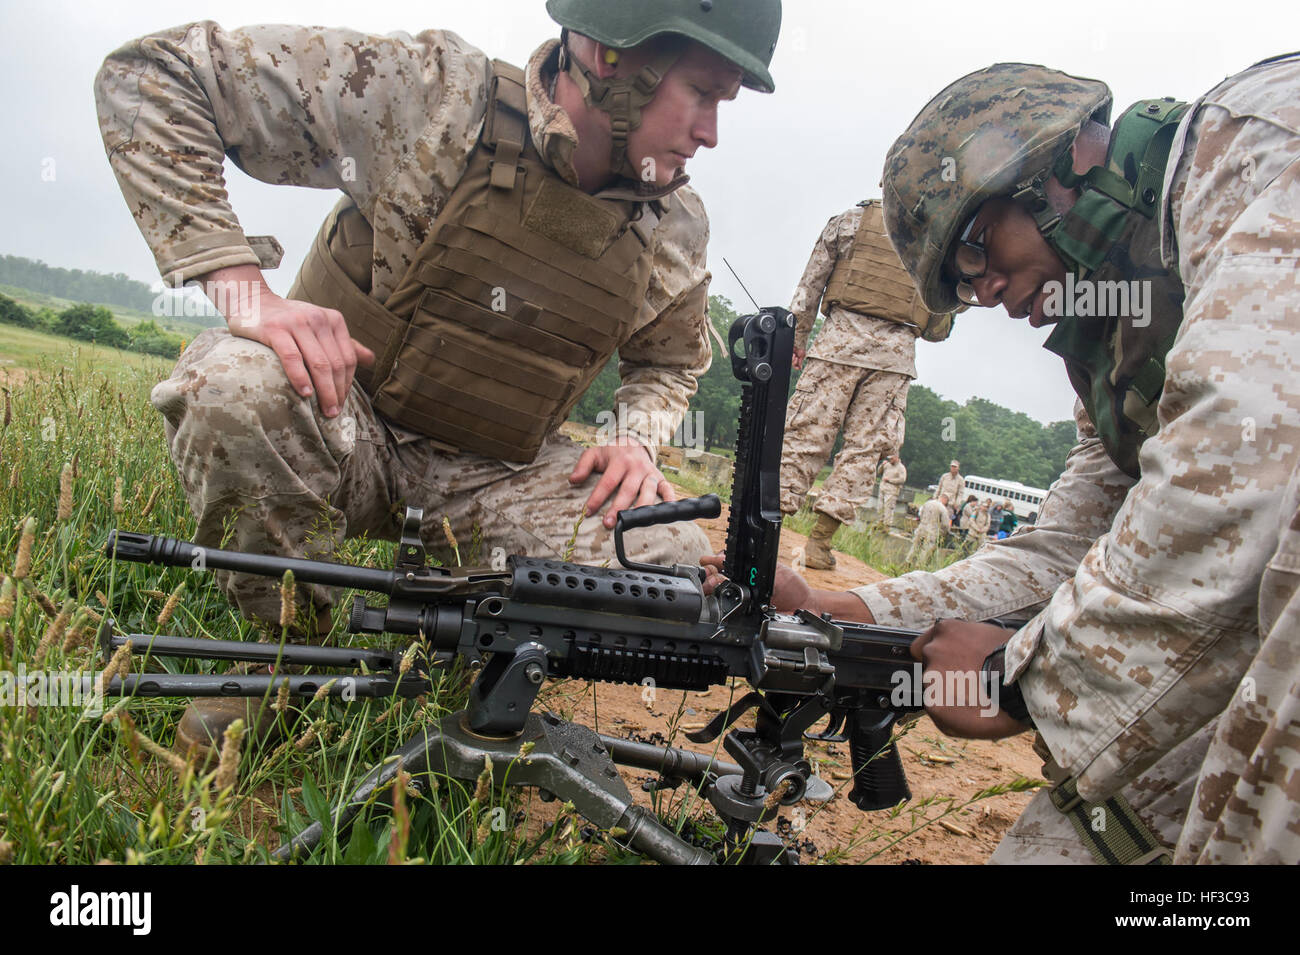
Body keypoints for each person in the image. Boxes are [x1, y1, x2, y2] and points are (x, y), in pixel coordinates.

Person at [94, 0, 782, 762]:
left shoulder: (674, 223)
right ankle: (289, 660)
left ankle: (475, 677)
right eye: (704, 93)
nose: (712, 133)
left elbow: (669, 360)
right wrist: (242, 291)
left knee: (666, 555)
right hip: (349, 431)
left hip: (492, 478)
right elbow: (154, 76)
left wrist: (635, 439)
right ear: (610, 54)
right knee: (231, 385)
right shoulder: (435, 99)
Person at [706, 54, 1300, 864]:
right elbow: (1070, 546)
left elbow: (1243, 463)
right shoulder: (1119, 343)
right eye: (959, 282)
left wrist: (1020, 679)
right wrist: (860, 611)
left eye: (977, 253)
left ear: (1056, 169)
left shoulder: (1254, 144)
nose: (982, 294)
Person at [778, 200, 953, 570]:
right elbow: (938, 326)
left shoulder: (850, 221)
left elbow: (810, 284)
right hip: (893, 359)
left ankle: (769, 530)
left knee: (805, 436)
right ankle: (819, 544)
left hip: (838, 344)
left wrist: (799, 336)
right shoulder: (940, 240)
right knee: (865, 450)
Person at [904, 493, 950, 566]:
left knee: (915, 546)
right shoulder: (942, 508)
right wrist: (943, 532)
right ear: (945, 500)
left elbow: (920, 514)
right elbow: (945, 524)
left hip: (921, 528)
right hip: (931, 531)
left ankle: (907, 563)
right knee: (925, 550)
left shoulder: (927, 503)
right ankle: (918, 566)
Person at [877, 453, 908, 528]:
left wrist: (890, 480)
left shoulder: (901, 468)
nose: (890, 460)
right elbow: (879, 472)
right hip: (882, 489)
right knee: (880, 507)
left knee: (888, 509)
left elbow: (902, 479)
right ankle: (879, 523)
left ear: (896, 458)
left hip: (892, 491)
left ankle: (886, 526)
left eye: (892, 458)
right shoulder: (887, 465)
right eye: (889, 458)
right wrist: (882, 465)